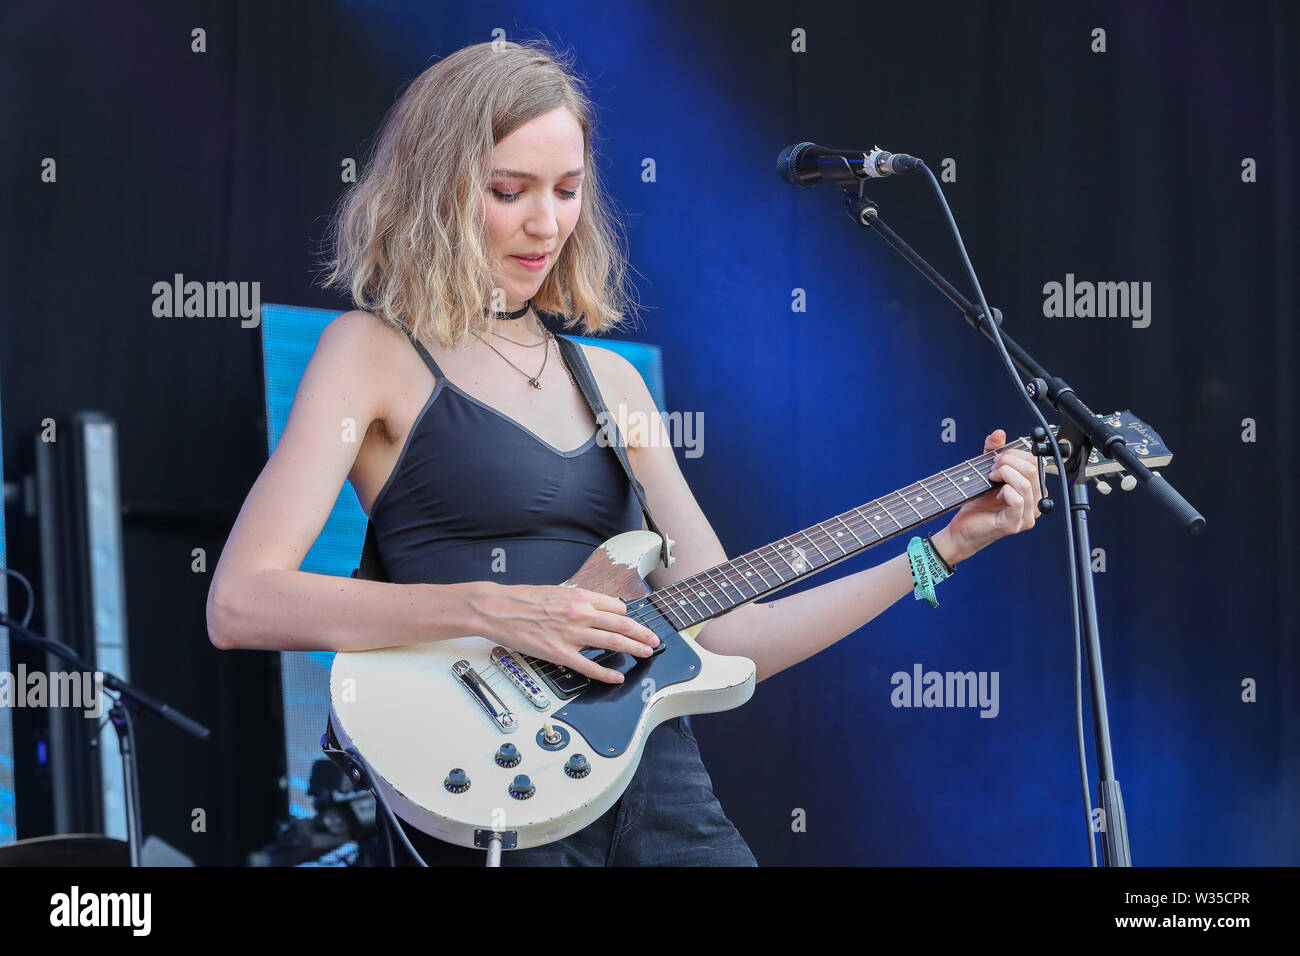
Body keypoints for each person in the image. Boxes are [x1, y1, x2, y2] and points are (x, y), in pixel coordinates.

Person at [205, 39, 1044, 866]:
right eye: (508, 191)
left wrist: (942, 550)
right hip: (490, 790)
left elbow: (735, 635)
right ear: (436, 189)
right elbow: (241, 603)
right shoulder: (370, 353)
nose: (546, 223)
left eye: (568, 190)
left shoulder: (614, 384)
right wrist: (493, 608)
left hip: (659, 792)